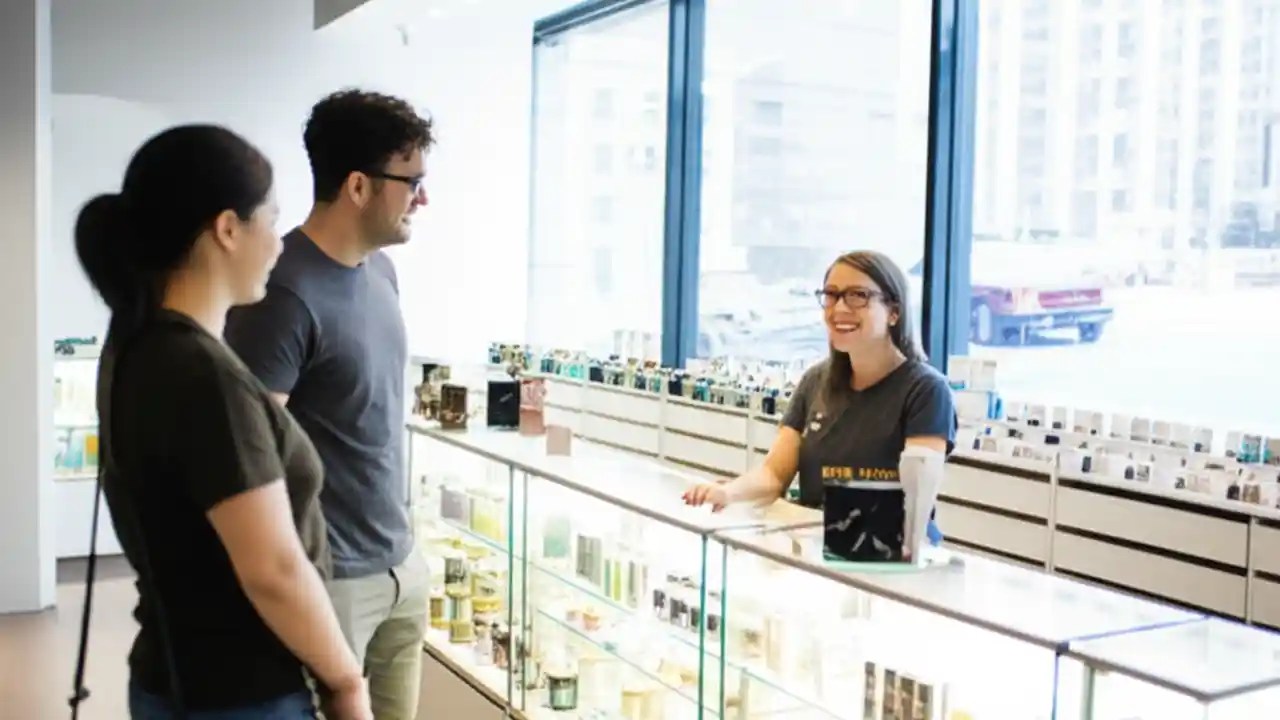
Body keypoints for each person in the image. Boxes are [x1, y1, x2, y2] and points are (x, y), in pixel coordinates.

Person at [73, 125, 371, 719]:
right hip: (242, 693)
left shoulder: (135, 343)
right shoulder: (204, 374)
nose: (280, 243)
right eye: (271, 220)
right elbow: (274, 569)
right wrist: (346, 682)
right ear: (227, 228)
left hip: (172, 672)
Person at [225, 89, 433, 719]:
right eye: (412, 182)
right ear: (358, 187)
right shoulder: (281, 294)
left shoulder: (381, 272)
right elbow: (249, 455)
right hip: (332, 580)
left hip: (401, 565)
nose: (423, 198)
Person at [683, 250, 956, 561]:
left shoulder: (926, 390)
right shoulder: (816, 381)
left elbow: (914, 503)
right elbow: (774, 474)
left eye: (858, 296)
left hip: (888, 562)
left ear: (894, 311)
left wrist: (811, 520)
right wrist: (728, 493)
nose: (840, 308)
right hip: (818, 553)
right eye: (831, 295)